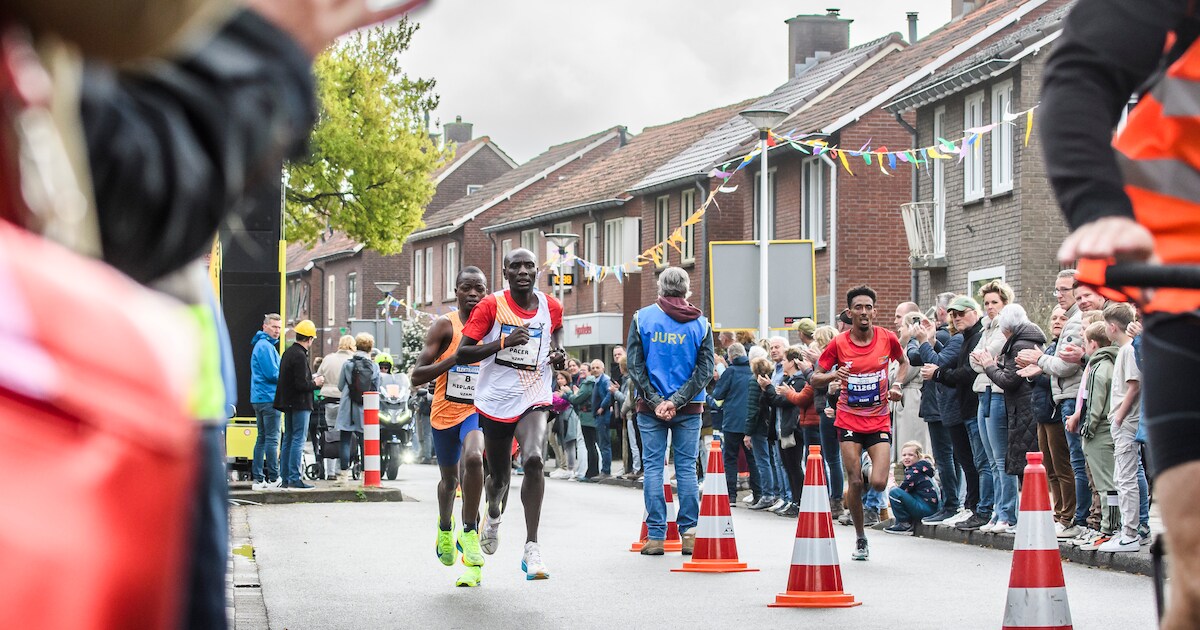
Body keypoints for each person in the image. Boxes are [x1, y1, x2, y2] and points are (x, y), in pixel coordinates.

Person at [456, 248, 565, 580]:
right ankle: (492, 514)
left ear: (536, 272)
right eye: (515, 266)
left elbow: (557, 333)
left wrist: (559, 353)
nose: (522, 270)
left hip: (534, 396)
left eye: (528, 265)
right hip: (495, 401)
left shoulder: (551, 306)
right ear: (504, 273)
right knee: (499, 479)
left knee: (534, 459)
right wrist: (502, 343)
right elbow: (464, 352)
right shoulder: (491, 305)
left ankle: (532, 547)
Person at [811, 285, 906, 561]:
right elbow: (815, 377)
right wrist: (833, 376)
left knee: (877, 483)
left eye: (868, 307)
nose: (863, 312)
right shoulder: (838, 343)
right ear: (850, 312)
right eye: (858, 307)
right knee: (854, 482)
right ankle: (861, 538)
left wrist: (897, 384)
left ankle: (868, 465)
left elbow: (904, 362)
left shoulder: (887, 338)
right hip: (849, 418)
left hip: (878, 419)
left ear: (874, 311)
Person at [626, 267, 715, 556]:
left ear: (660, 289)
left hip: (650, 408)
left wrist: (656, 401)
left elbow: (635, 366)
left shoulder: (642, 319)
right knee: (687, 468)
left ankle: (655, 537)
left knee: (653, 467)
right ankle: (689, 533)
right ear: (687, 289)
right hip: (689, 407)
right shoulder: (701, 323)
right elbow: (705, 370)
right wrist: (677, 401)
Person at [411, 267, 489, 587]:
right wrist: (452, 360)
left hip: (477, 410)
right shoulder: (445, 325)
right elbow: (417, 375)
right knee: (449, 480)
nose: (473, 294)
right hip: (444, 411)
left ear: (486, 293)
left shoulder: (493, 325)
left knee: (473, 460)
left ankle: (469, 532)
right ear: (455, 292)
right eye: (466, 288)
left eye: (479, 289)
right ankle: (445, 527)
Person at [1019, 270, 1088, 536]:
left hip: (1065, 403)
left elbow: (1064, 367)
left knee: (1070, 465)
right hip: (1049, 407)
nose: (1059, 296)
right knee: (1053, 467)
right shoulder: (1056, 340)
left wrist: (1040, 362)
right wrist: (1039, 367)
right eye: (1056, 290)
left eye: (1064, 290)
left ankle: (1073, 517)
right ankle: (1062, 514)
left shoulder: (1076, 322)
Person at [977, 304, 1047, 533]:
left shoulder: (1019, 344)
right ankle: (1016, 515)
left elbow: (1009, 380)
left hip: (1024, 410)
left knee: (1020, 465)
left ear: (1008, 328)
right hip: (1024, 407)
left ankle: (1016, 516)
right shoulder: (1026, 339)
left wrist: (989, 366)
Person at [925, 297, 992, 530]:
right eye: (953, 314)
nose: (956, 318)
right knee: (970, 461)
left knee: (981, 463)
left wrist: (939, 372)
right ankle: (974, 507)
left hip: (974, 407)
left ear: (975, 312)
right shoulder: (964, 338)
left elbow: (962, 371)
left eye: (961, 313)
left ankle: (981, 509)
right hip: (965, 408)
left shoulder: (977, 337)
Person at [969, 280, 1019, 533]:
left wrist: (986, 361)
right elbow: (976, 359)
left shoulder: (1004, 329)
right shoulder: (985, 328)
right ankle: (999, 511)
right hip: (983, 392)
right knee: (990, 459)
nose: (989, 307)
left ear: (1005, 304)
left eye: (994, 303)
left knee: (1001, 459)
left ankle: (1008, 514)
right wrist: (986, 361)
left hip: (997, 392)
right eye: (986, 303)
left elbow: (988, 356)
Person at [1065, 322, 1121, 550]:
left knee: (1105, 483)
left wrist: (1088, 427)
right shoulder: (1112, 363)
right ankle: (1112, 525)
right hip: (1108, 430)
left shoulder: (1099, 368)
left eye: (1085, 342)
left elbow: (1095, 404)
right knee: (1109, 482)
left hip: (1100, 432)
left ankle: (1109, 527)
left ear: (1093, 344)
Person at [908, 307, 963, 525]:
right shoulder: (948, 338)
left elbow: (924, 359)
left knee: (946, 457)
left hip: (940, 405)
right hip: (939, 404)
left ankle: (952, 504)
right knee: (952, 457)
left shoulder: (950, 337)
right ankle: (954, 502)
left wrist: (917, 339)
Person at [1098, 302, 1143, 553]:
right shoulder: (1125, 350)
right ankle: (1128, 530)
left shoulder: (1127, 350)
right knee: (1124, 476)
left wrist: (1118, 417)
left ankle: (1130, 533)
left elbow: (1133, 386)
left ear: (1113, 327)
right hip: (1124, 421)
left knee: (1126, 478)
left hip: (1126, 422)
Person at [767, 346, 820, 518]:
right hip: (783, 428)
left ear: (793, 362)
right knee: (788, 466)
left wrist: (774, 390)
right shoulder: (787, 380)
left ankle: (799, 502)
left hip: (794, 429)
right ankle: (794, 500)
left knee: (795, 466)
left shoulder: (799, 381)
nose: (782, 363)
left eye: (784, 360)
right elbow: (772, 400)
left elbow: (786, 401)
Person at [274, 319, 324, 490]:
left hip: (287, 403)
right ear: (309, 339)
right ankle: (295, 478)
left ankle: (286, 478)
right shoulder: (300, 356)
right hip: (300, 403)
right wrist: (316, 382)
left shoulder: (288, 353)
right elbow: (301, 384)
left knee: (287, 439)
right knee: (298, 439)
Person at [711, 343, 761, 508]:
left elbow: (718, 394)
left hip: (732, 422)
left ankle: (731, 496)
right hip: (751, 422)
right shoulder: (752, 370)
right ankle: (758, 494)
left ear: (731, 357)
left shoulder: (731, 372)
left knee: (730, 458)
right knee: (753, 459)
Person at [336, 333, 381, 485]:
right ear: (370, 347)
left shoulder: (348, 364)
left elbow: (340, 386)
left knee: (345, 441)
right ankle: (364, 475)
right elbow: (376, 387)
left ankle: (343, 476)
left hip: (347, 406)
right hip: (365, 407)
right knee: (364, 442)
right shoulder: (374, 366)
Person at [811, 326, 846, 518]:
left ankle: (837, 500)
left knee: (835, 459)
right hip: (826, 409)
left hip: (835, 411)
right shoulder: (824, 362)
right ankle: (834, 500)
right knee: (831, 458)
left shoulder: (832, 360)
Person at [251, 314, 283, 491]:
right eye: (273, 327)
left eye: (279, 327)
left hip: (259, 397)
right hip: (269, 397)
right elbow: (272, 374)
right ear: (264, 327)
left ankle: (258, 478)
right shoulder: (265, 347)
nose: (277, 330)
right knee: (271, 438)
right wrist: (287, 378)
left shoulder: (261, 345)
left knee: (262, 438)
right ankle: (273, 478)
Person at [318, 335, 355, 479]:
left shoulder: (328, 358)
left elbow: (320, 375)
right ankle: (342, 469)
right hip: (346, 401)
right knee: (345, 435)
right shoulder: (352, 361)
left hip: (329, 400)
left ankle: (330, 472)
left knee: (331, 435)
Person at [884, 441, 940, 536]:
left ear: (918, 456)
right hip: (932, 509)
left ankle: (904, 524)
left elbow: (902, 490)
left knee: (894, 493)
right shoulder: (921, 468)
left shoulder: (915, 471)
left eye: (911, 455)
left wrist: (891, 484)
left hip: (926, 510)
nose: (906, 457)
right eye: (904, 455)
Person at [590, 359, 614, 478]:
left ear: (603, 368)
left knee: (604, 444)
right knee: (602, 443)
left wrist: (602, 408)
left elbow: (609, 394)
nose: (595, 370)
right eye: (593, 368)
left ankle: (606, 471)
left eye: (597, 367)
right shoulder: (597, 380)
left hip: (603, 417)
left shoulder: (605, 380)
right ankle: (604, 470)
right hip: (599, 416)